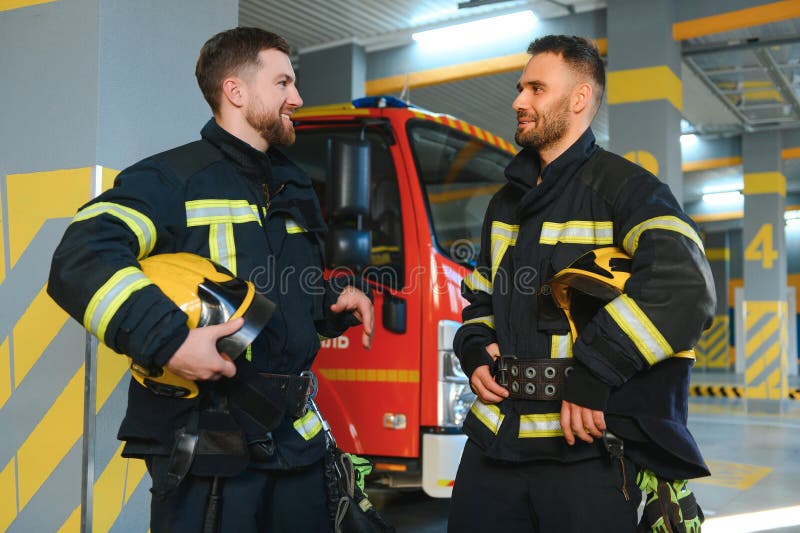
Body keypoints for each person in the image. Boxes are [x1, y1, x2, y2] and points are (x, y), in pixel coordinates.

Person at [47, 27, 373, 533]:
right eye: (283, 83)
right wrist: (170, 342)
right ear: (235, 91)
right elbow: (82, 255)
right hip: (209, 445)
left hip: (295, 444)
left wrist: (328, 302)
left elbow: (270, 291)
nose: (297, 98)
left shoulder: (294, 184)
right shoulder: (172, 178)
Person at [448, 35, 714, 532]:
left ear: (579, 98)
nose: (518, 101)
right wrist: (474, 347)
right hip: (494, 444)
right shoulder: (505, 204)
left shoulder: (627, 189)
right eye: (520, 88)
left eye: (535, 89)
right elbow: (481, 297)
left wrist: (595, 374)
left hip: (586, 450)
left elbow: (684, 286)